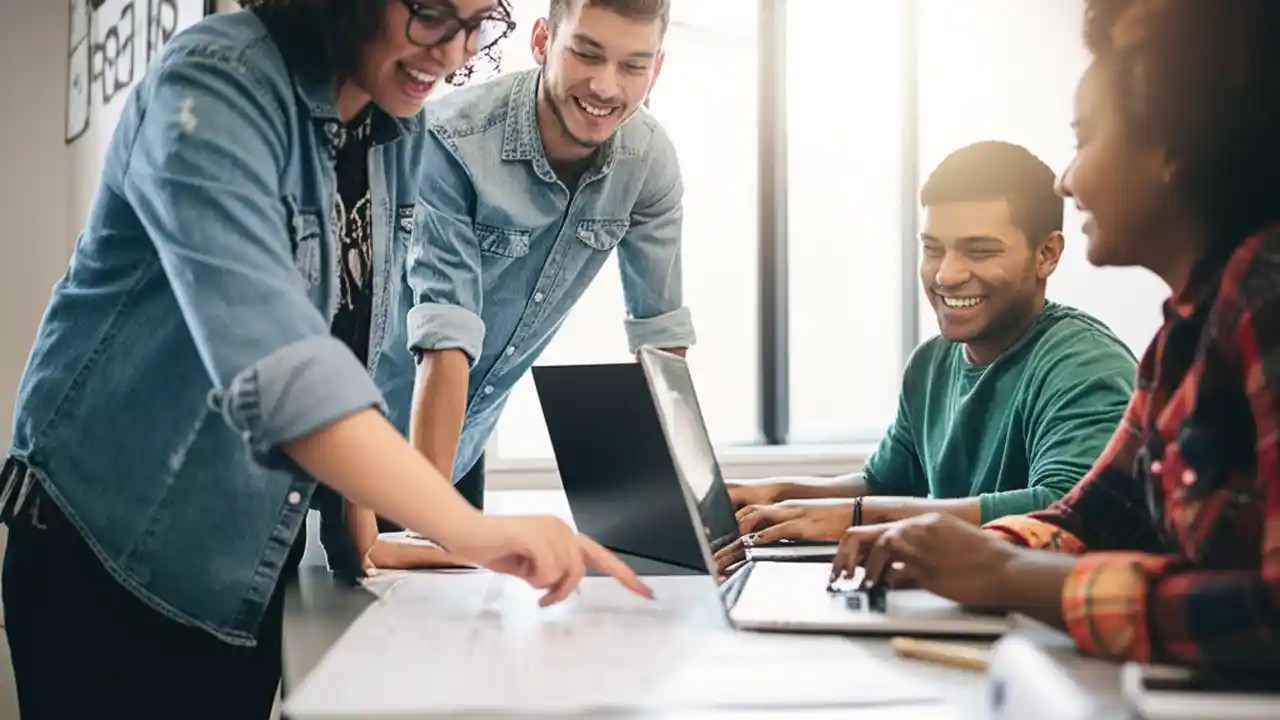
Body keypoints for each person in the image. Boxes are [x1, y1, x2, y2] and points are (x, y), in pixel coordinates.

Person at [0, 2, 650, 718]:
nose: (453, 52)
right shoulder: (216, 85)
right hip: (108, 554)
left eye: (476, 23)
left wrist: (360, 533)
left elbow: (353, 342)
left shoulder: (398, 128)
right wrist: (472, 529)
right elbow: (282, 368)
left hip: (240, 565)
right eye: (433, 14)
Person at [831, 0, 1280, 678]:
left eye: (1086, 139)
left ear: (1173, 149)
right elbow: (1095, 514)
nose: (1068, 181)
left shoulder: (1265, 292)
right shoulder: (1183, 337)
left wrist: (1010, 574)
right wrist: (947, 550)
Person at [352, 0, 696, 569]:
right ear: (541, 41)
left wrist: (677, 526)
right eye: (586, 54)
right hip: (373, 437)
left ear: (656, 68)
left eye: (633, 66)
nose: (607, 86)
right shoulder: (450, 140)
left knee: (449, 637)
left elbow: (660, 342)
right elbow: (447, 334)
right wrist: (435, 526)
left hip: (461, 447)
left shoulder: (649, 162)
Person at [715, 142, 1136, 572]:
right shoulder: (931, 363)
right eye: (933, 249)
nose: (946, 275)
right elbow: (883, 484)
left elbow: (1065, 509)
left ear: (1046, 254)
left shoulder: (1085, 365)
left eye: (979, 251)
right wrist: (777, 492)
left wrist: (861, 517)